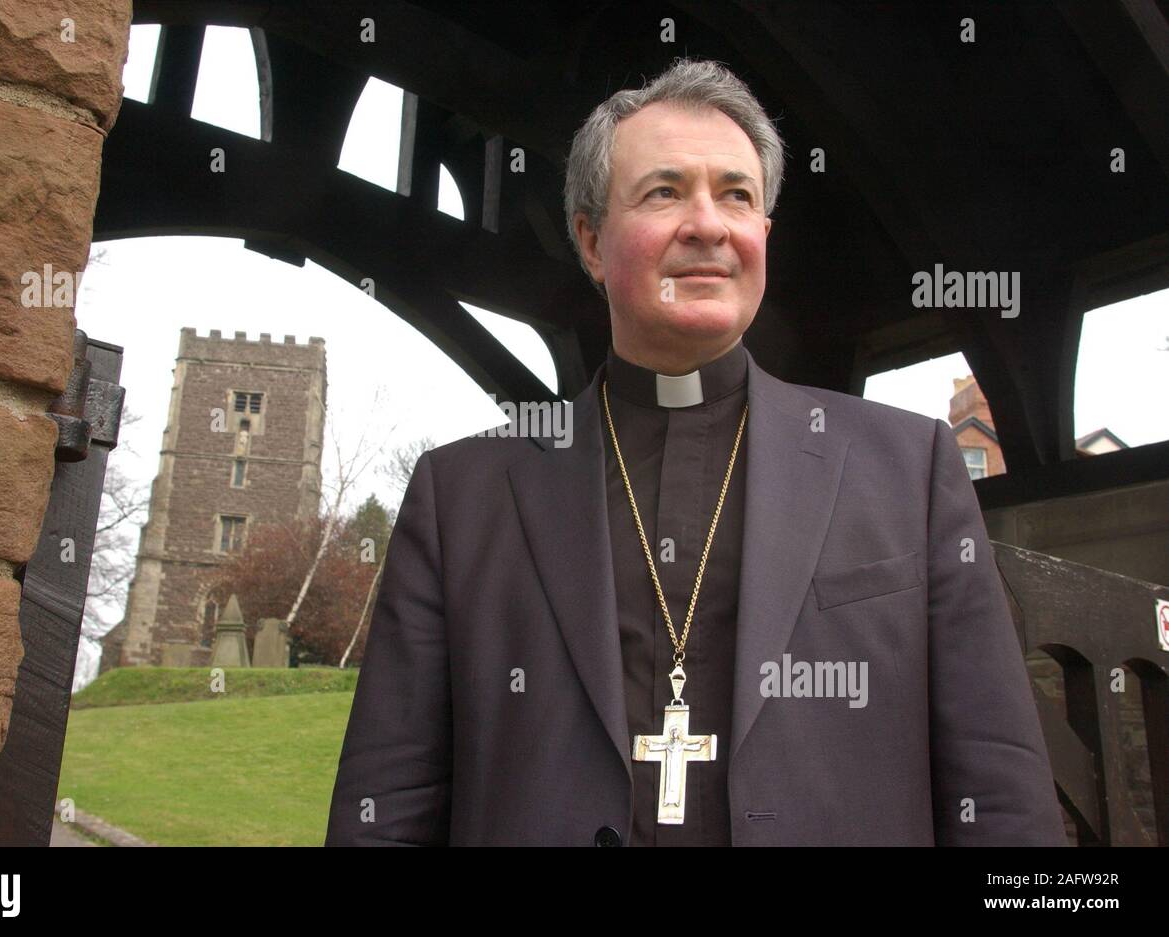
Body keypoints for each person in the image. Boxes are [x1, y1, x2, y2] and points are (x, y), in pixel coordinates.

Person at [324, 57, 1066, 846]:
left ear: (763, 236)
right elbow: (388, 807)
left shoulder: (907, 468)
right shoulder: (461, 496)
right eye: (665, 191)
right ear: (591, 241)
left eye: (736, 195)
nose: (708, 224)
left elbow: (1001, 798)